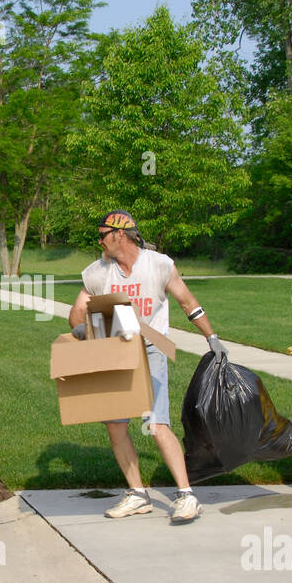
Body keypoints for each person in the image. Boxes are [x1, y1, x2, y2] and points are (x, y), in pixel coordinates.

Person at [68, 211, 227, 524]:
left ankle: (186, 496)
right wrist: (82, 329)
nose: (98, 241)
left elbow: (187, 301)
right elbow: (76, 312)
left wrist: (212, 337)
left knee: (156, 424)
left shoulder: (158, 264)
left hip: (152, 349)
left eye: (101, 235)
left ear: (119, 235)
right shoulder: (98, 273)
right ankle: (138, 494)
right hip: (116, 353)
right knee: (116, 426)